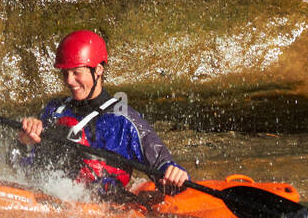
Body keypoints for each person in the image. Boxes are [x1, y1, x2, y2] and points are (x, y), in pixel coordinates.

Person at [15, 29, 189, 200]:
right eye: (65, 73)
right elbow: (17, 165)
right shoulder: (54, 110)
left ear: (98, 70)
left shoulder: (123, 120)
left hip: (103, 209)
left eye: (76, 72)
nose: (69, 80)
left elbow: (163, 166)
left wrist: (174, 174)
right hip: (46, 200)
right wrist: (23, 142)